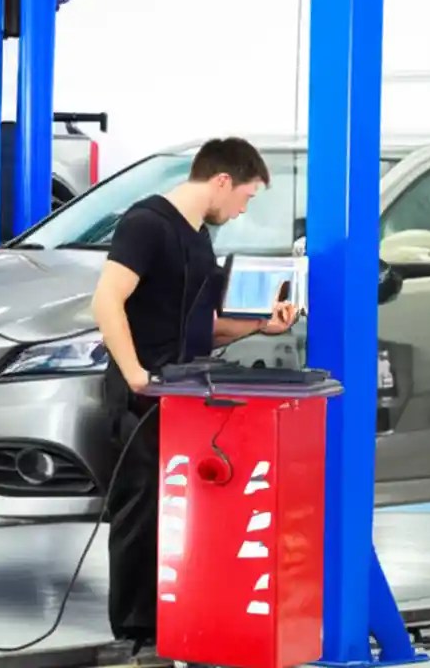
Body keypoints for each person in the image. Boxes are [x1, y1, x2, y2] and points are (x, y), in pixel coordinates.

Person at [89, 137, 299, 662]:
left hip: (185, 392)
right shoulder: (147, 224)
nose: (244, 209)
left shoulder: (199, 239)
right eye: (246, 197)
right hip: (144, 393)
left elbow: (199, 325)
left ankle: (177, 621)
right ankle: (135, 634)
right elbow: (106, 298)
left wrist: (260, 328)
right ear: (222, 181)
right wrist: (136, 372)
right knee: (140, 507)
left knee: (182, 511)